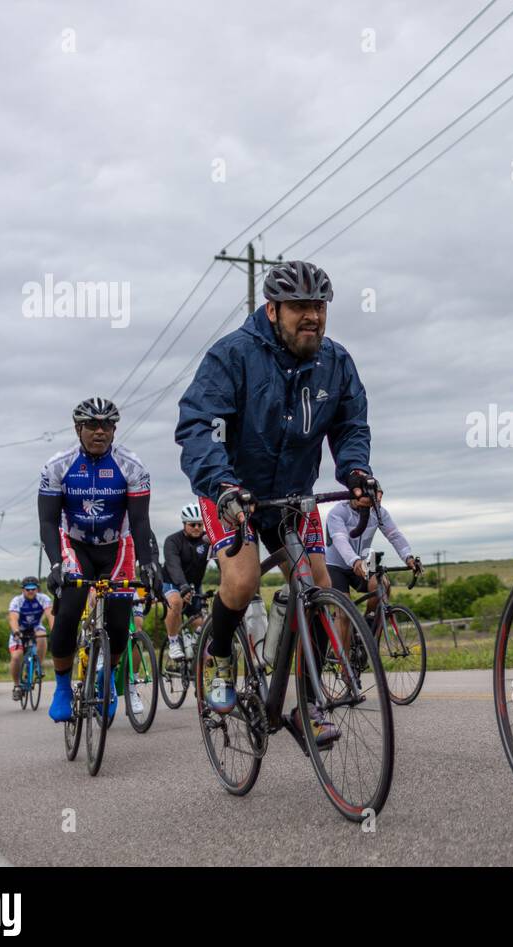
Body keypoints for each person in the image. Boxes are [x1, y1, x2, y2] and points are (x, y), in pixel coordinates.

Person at [176, 260, 375, 747]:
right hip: (232, 495)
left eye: (319, 307)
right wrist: (222, 484)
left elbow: (350, 425)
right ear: (273, 310)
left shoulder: (335, 361)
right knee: (242, 581)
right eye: (301, 308)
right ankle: (220, 658)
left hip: (292, 495)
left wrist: (354, 471)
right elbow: (199, 427)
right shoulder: (233, 356)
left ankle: (309, 706)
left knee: (318, 583)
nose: (313, 317)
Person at [39, 397, 161, 723]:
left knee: (120, 624)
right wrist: (55, 564)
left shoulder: (132, 467)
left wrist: (148, 564)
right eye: (92, 425)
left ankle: (106, 676)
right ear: (78, 429)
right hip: (74, 545)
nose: (99, 431)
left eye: (107, 425)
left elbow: (139, 523)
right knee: (69, 609)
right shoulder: (58, 466)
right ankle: (63, 687)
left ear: (114, 429)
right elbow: (49, 522)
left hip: (116, 547)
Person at [324, 489, 420, 643]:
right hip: (336, 565)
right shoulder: (338, 512)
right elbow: (340, 539)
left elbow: (394, 534)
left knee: (382, 584)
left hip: (362, 561)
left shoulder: (378, 512)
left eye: (371, 502)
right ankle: (346, 665)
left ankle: (366, 624)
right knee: (343, 612)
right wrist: (354, 561)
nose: (367, 506)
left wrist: (408, 557)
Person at [161, 503, 211, 662]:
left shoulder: (207, 541)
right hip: (172, 582)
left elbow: (222, 563)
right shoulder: (173, 541)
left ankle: (196, 660)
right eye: (192, 525)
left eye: (200, 524)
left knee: (203, 625)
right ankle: (174, 642)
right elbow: (173, 565)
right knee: (175, 603)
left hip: (193, 585)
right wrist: (182, 586)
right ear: (184, 524)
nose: (197, 528)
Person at [8, 575, 53, 699]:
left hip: (35, 627)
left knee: (42, 637)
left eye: (33, 588)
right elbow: (13, 618)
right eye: (28, 589)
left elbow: (50, 615)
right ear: (23, 590)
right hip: (20, 629)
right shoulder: (17, 600)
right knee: (16, 657)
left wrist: (54, 630)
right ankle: (17, 686)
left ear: (37, 589)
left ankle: (38, 666)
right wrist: (16, 631)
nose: (31, 591)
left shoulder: (43, 598)